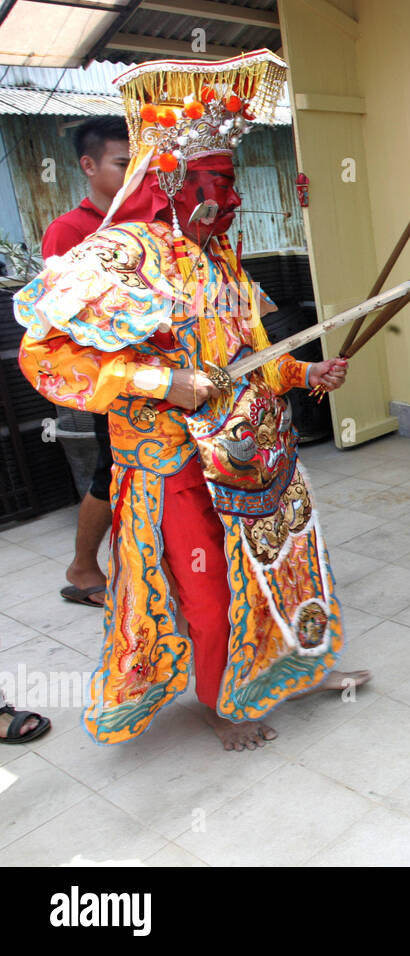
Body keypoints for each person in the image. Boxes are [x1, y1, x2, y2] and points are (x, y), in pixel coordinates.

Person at [15, 50, 367, 751]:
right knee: (209, 595)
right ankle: (217, 701)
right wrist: (158, 382)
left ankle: (299, 666)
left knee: (289, 566)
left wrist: (303, 376)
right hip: (172, 466)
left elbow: (246, 356)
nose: (234, 200)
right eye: (220, 183)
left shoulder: (222, 258)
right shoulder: (121, 254)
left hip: (256, 454)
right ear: (172, 180)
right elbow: (43, 355)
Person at [43, 117, 132, 609]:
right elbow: (65, 318)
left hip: (155, 373)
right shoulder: (70, 231)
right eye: (122, 163)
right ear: (88, 164)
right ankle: (83, 567)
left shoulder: (142, 224)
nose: (132, 172)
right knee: (112, 469)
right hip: (108, 376)